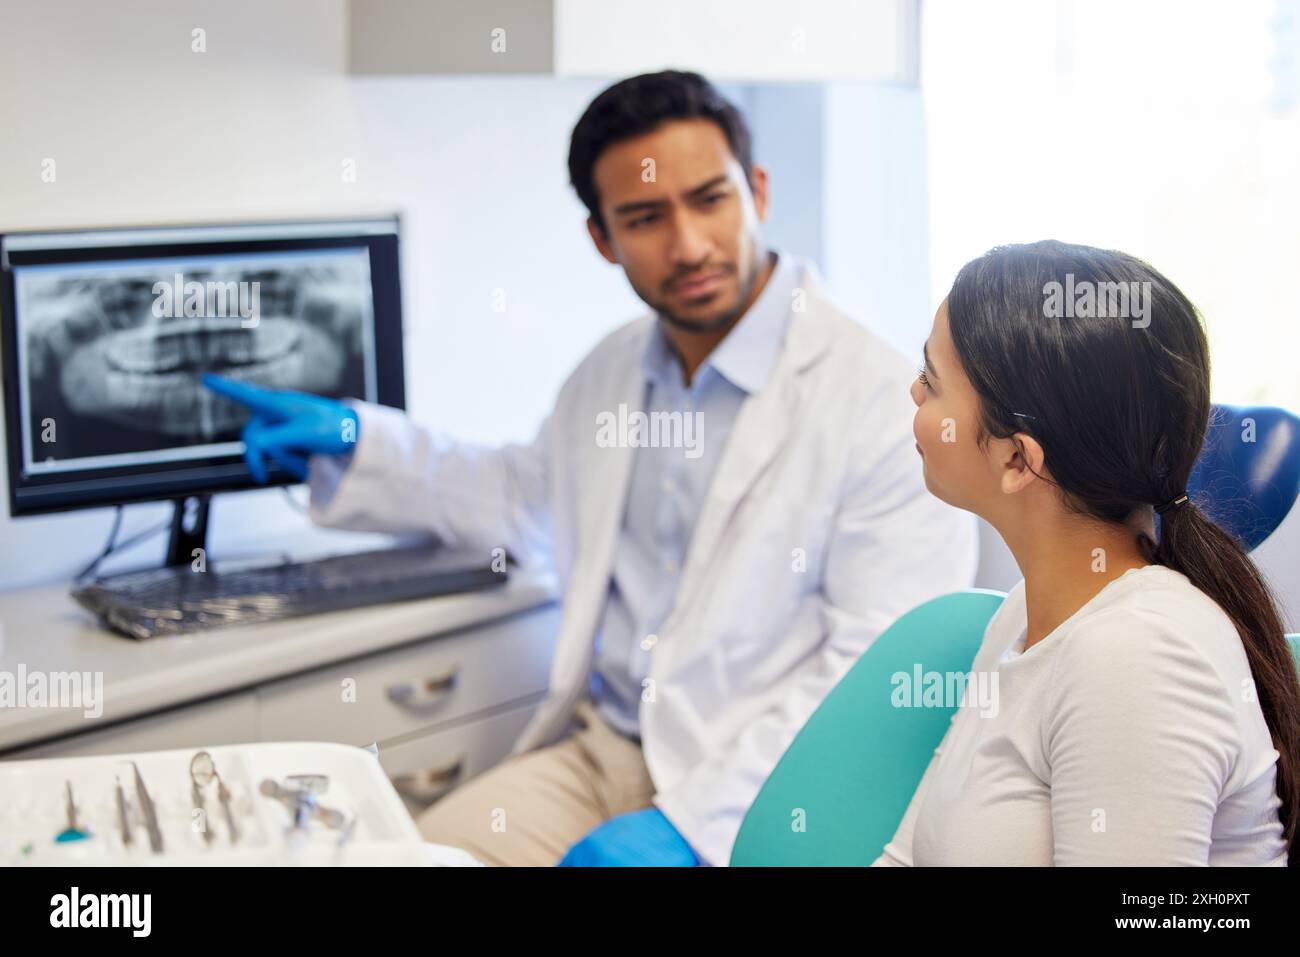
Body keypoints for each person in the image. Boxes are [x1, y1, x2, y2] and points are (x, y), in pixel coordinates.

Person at [205, 70, 978, 866]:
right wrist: (357, 438)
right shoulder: (610, 374)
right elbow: (519, 496)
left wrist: (693, 827)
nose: (687, 246)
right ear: (603, 239)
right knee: (410, 857)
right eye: (645, 218)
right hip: (604, 753)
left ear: (758, 192)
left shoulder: (880, 403)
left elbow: (879, 676)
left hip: (771, 782)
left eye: (710, 199)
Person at [876, 240, 1299, 865]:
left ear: (1018, 458)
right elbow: (911, 857)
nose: (915, 392)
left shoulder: (1136, 657)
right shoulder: (1028, 612)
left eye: (932, 382)